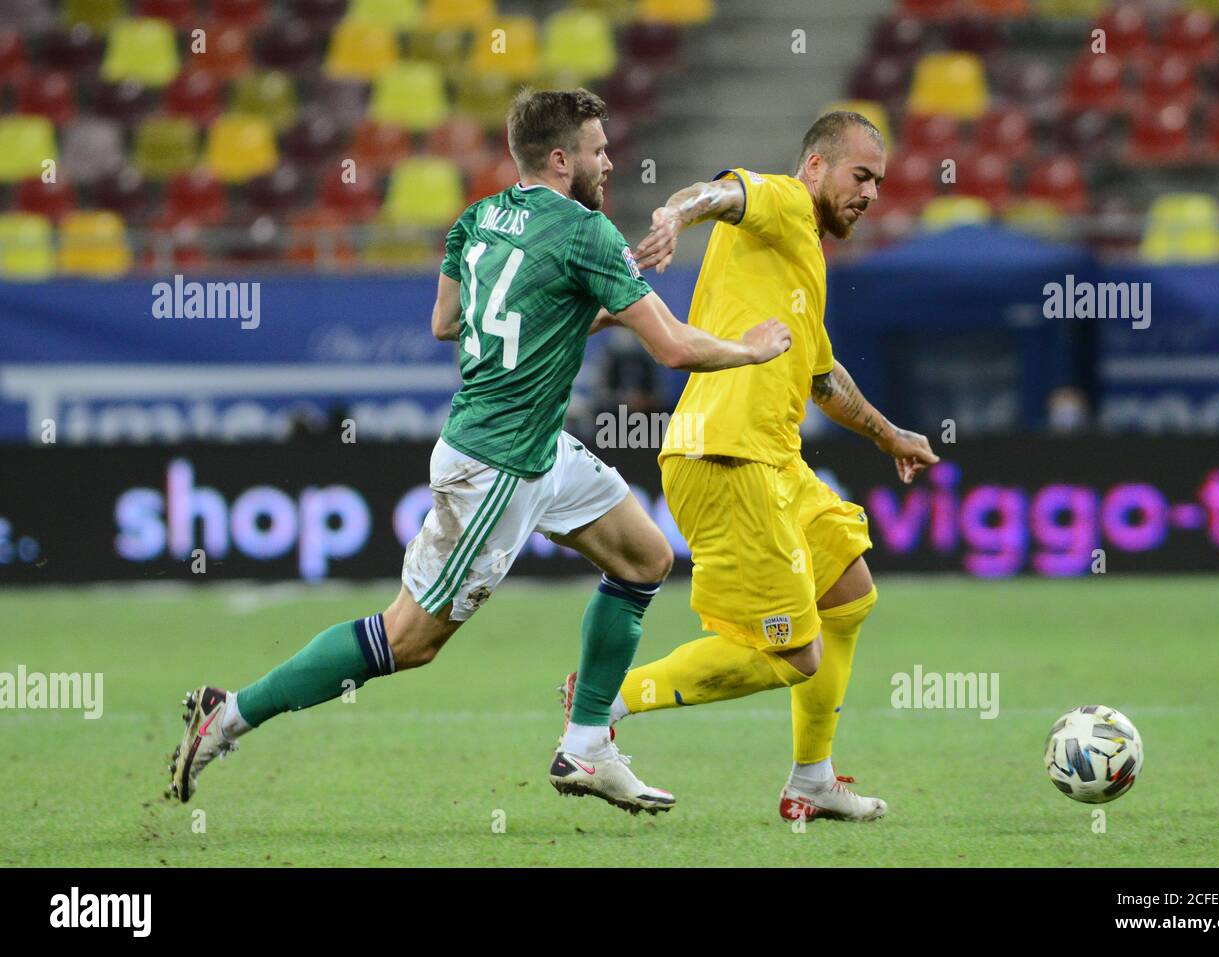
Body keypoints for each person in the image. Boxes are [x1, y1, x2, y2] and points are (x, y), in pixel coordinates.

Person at [168, 88, 791, 816]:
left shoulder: (477, 219)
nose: (610, 159)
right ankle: (229, 712)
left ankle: (587, 746)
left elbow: (446, 323)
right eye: (597, 149)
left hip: (534, 448)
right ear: (561, 160)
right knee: (408, 639)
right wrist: (751, 348)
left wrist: (598, 303)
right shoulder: (588, 233)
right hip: (495, 466)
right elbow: (678, 347)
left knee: (646, 557)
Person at [563, 111, 939, 822]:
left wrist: (890, 436)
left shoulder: (798, 262)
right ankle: (605, 699)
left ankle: (812, 778)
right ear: (818, 167)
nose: (871, 193)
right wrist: (676, 212)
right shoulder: (786, 201)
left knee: (849, 591)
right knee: (793, 653)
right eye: (862, 176)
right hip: (725, 453)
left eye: (881, 183)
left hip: (776, 459)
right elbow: (725, 191)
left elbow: (823, 376)